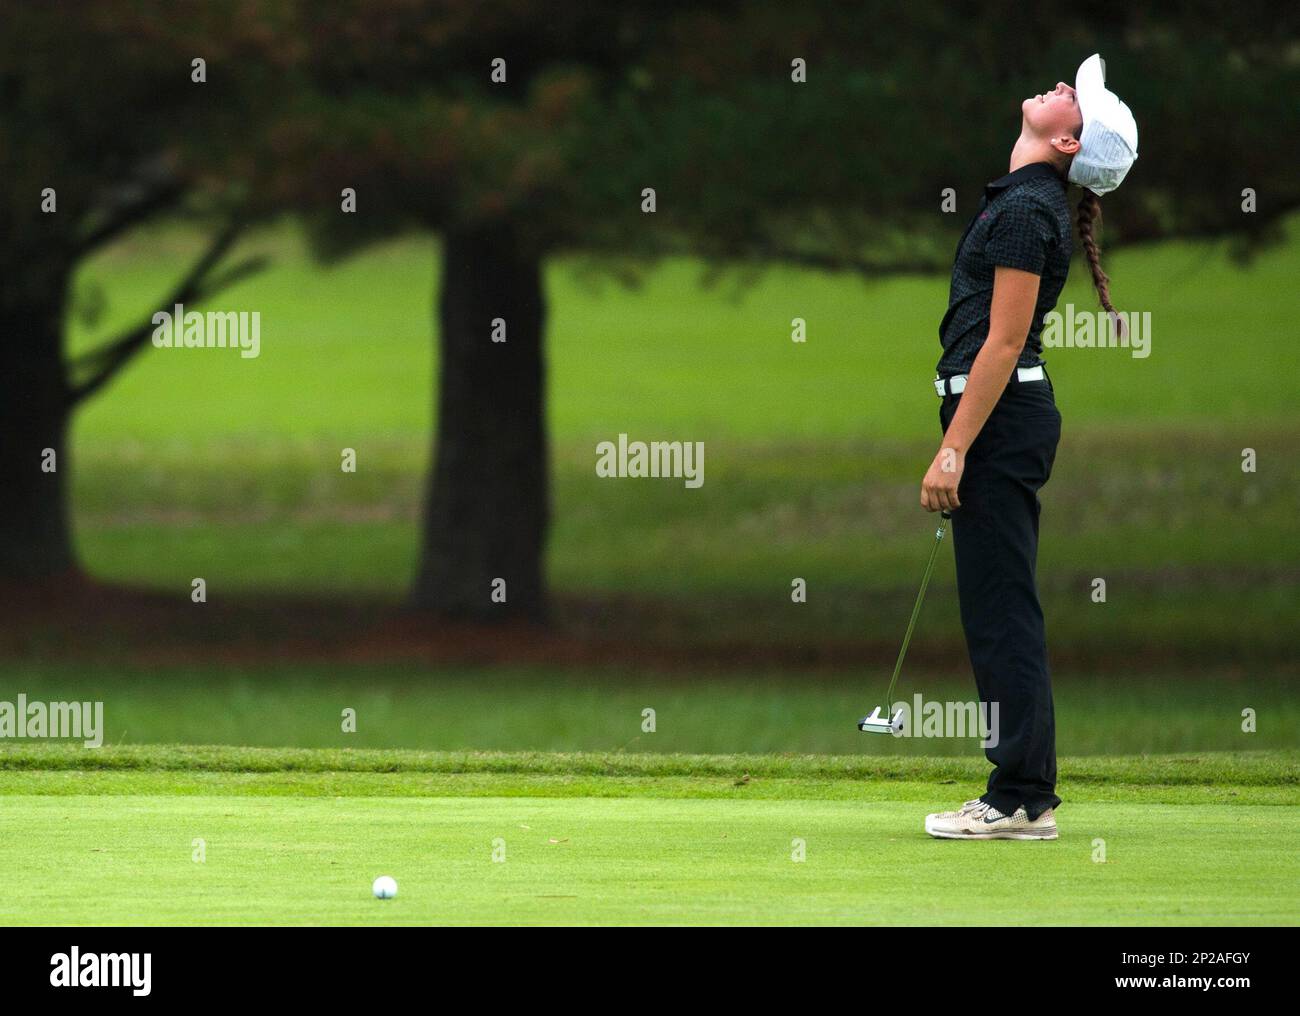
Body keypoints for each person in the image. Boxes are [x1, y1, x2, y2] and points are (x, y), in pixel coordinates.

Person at [920, 55, 1138, 840]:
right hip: (1001, 417)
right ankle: (1018, 789)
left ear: (1071, 142)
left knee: (1002, 609)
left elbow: (1004, 342)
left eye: (1069, 98)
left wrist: (953, 449)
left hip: (999, 420)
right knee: (996, 606)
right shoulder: (1025, 200)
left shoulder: (1025, 210)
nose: (1057, 88)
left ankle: (1018, 797)